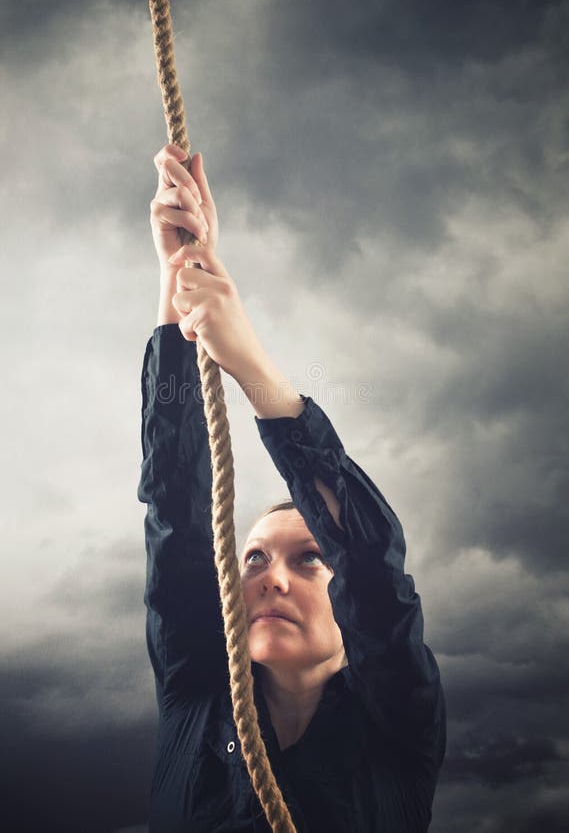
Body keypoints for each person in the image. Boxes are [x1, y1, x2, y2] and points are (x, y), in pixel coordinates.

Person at [137, 143, 446, 833]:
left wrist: (249, 363)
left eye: (307, 557)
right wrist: (174, 276)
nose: (268, 579)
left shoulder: (398, 723)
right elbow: (174, 509)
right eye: (253, 559)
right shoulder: (193, 691)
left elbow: (369, 565)